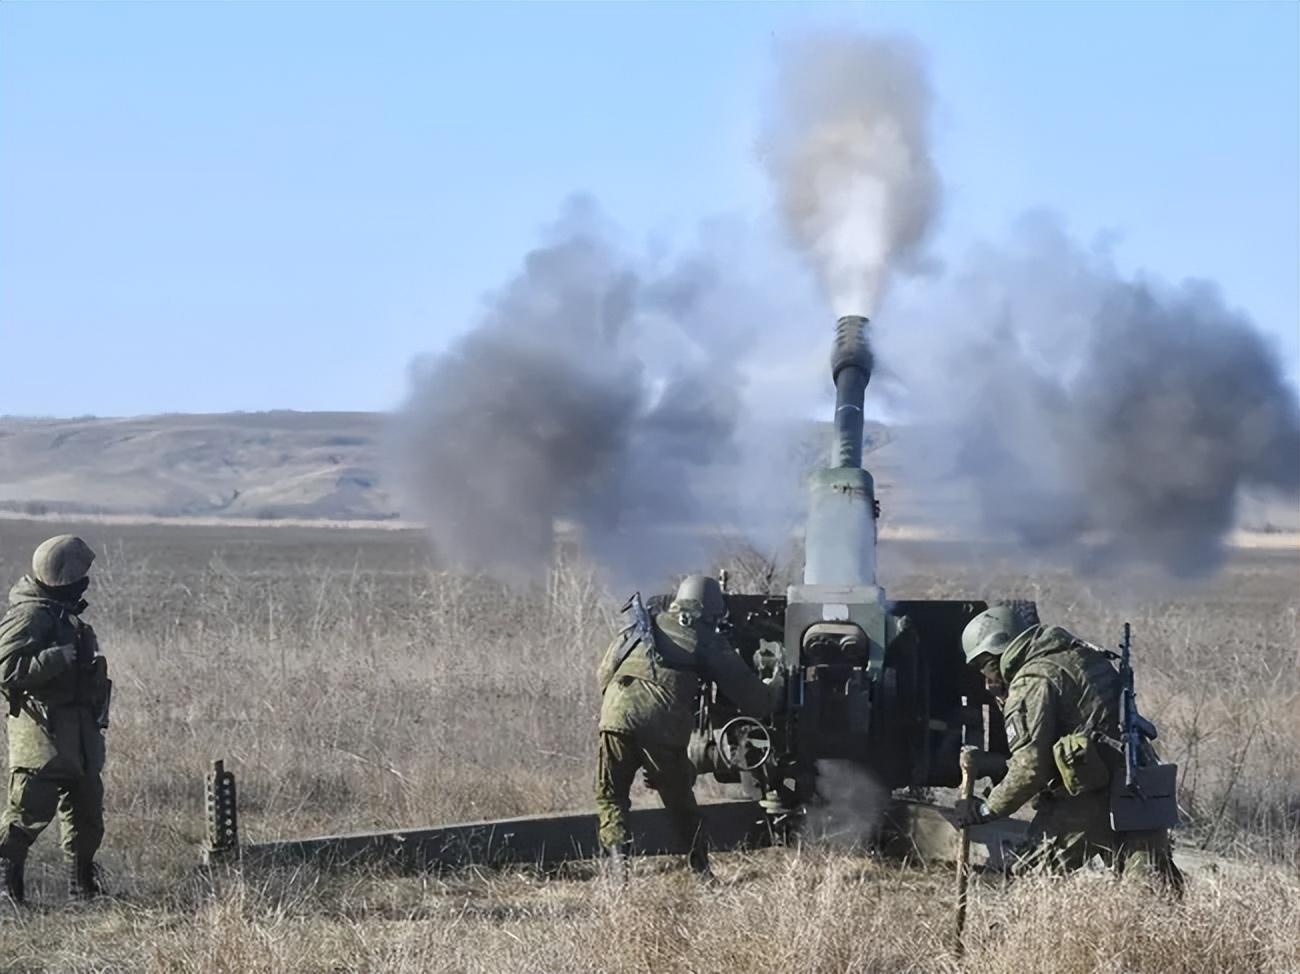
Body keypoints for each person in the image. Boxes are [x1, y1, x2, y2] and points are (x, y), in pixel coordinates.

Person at [955, 604, 1181, 892]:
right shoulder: (1078, 653)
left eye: (984, 664)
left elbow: (1029, 768)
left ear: (1001, 649)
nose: (985, 677)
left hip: (1088, 798)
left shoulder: (1032, 680)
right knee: (1152, 891)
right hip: (1139, 780)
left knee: (1030, 887)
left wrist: (984, 809)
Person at [594, 574, 781, 881]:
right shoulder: (703, 637)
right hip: (660, 726)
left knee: (610, 796)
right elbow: (755, 700)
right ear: (709, 613)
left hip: (614, 715)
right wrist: (777, 682)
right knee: (680, 802)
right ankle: (702, 873)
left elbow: (604, 674)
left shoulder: (637, 629)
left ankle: (618, 872)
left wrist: (623, 717)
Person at [0, 536, 111, 904]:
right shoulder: (30, 614)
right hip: (43, 736)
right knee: (26, 816)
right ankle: (5, 888)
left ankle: (82, 888)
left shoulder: (64, 615)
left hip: (77, 735)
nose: (86, 581)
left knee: (86, 817)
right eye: (80, 574)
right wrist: (57, 657)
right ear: (63, 577)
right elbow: (6, 669)